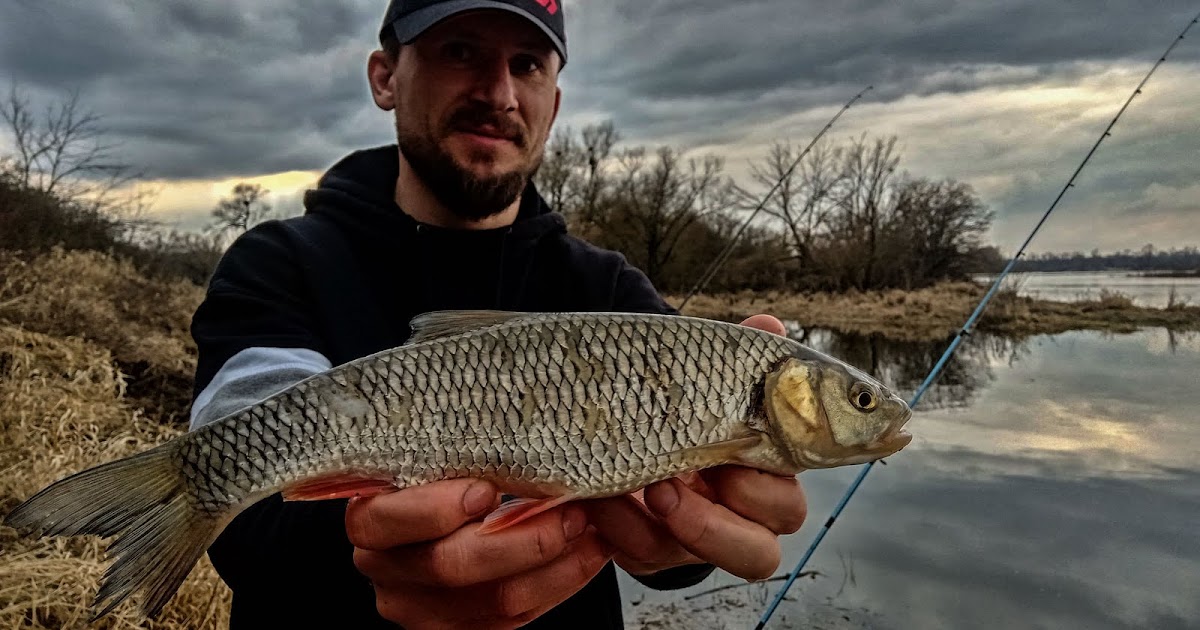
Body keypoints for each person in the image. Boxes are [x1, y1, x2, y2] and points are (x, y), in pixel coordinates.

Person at [187, 1, 808, 627]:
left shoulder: (609, 290)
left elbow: (680, 533)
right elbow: (243, 507)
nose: (499, 92)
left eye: (527, 64)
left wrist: (691, 529)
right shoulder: (277, 263)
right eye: (459, 51)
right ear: (385, 77)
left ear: (554, 104)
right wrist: (373, 555)